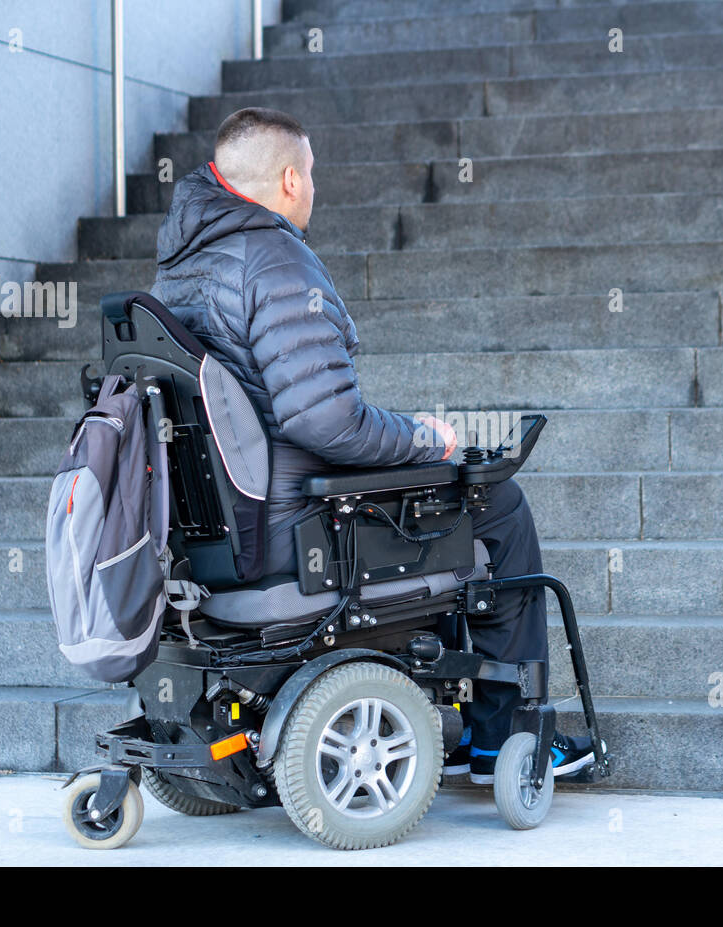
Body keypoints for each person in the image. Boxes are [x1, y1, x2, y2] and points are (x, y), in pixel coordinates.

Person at [151, 107, 593, 782]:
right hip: (294, 533)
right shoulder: (273, 262)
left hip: (214, 539)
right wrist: (426, 438)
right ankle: (503, 740)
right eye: (315, 176)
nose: (316, 190)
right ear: (291, 179)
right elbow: (323, 422)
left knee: (442, 497)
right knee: (494, 499)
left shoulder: (179, 270)